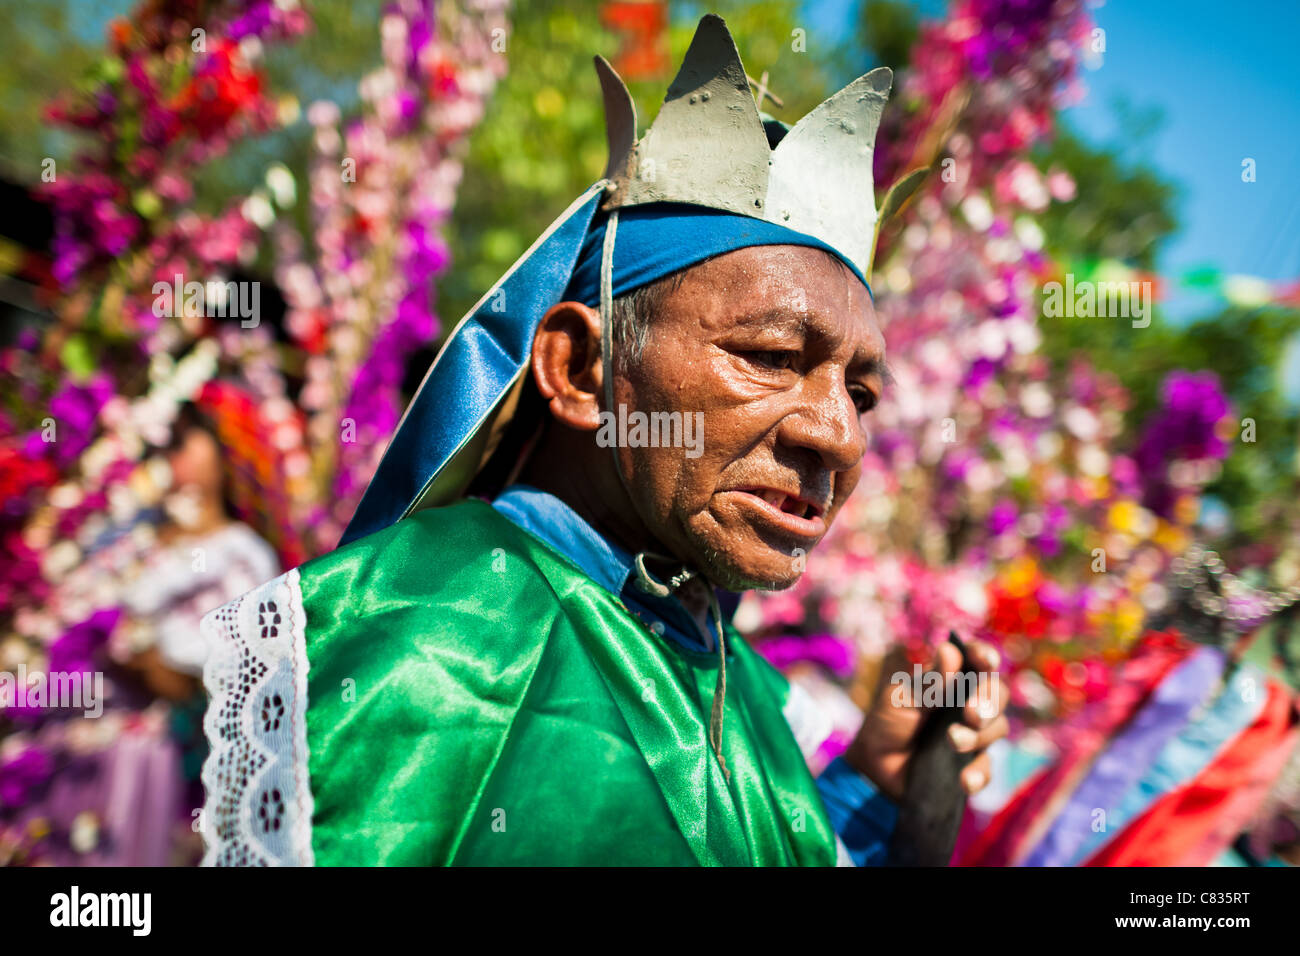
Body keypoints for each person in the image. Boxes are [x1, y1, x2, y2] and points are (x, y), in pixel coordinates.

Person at [199, 14, 1007, 866]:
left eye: (863, 391)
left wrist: (874, 791)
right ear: (583, 370)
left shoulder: (752, 694)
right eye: (771, 356)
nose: (839, 437)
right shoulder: (425, 640)